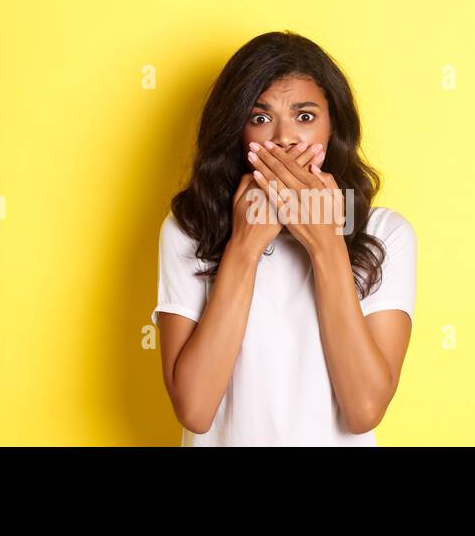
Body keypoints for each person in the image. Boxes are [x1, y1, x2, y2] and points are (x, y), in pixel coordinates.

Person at [151, 31, 416, 446]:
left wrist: (326, 243)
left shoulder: (384, 233)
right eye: (260, 118)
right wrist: (245, 245)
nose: (283, 138)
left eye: (305, 117)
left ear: (333, 128)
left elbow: (364, 410)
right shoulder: (189, 228)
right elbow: (195, 409)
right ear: (237, 132)